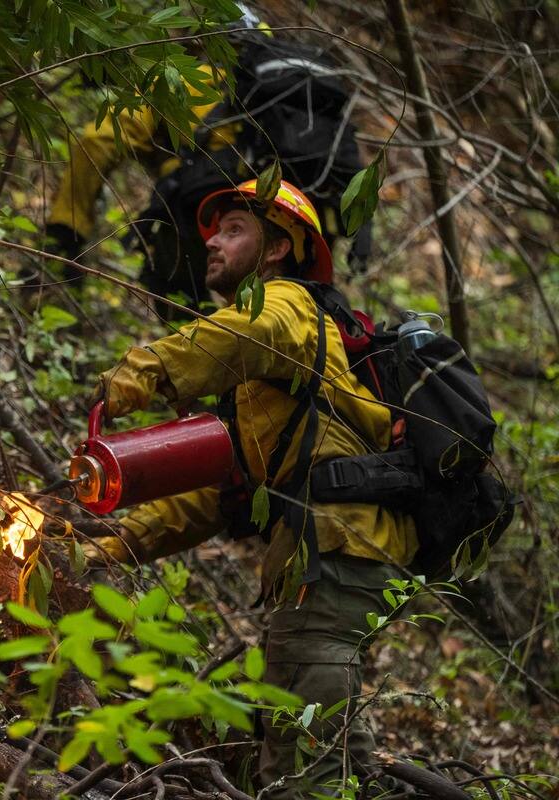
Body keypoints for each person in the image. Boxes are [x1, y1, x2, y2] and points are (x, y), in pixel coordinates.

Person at [83, 178, 417, 798]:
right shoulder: (268, 390)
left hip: (335, 555)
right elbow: (224, 491)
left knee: (300, 772)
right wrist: (114, 541)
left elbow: (235, 335)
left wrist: (142, 370)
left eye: (234, 229)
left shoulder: (284, 305)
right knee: (337, 757)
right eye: (214, 229)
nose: (212, 241)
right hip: (342, 557)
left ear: (277, 250)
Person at [45, 13, 370, 320]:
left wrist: (65, 229)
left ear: (201, 41)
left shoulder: (174, 80)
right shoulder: (295, 91)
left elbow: (98, 140)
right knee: (297, 315)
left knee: (185, 314)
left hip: (206, 206)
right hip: (294, 213)